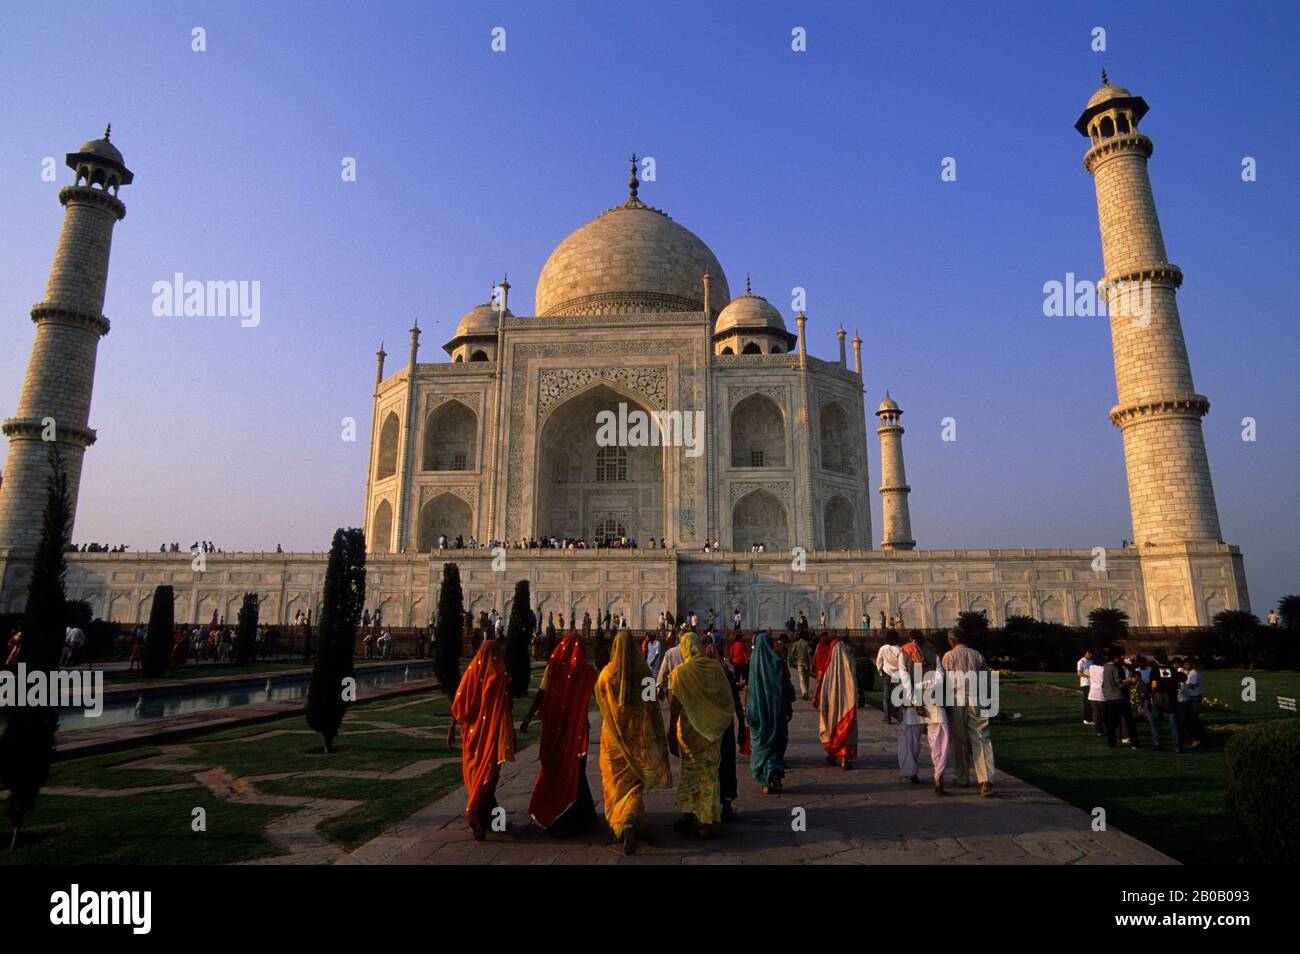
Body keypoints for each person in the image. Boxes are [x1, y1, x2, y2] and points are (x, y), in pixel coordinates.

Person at [594, 631, 672, 854]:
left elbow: (600, 703)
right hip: (639, 738)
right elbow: (651, 706)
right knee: (635, 783)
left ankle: (625, 822)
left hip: (614, 740)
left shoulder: (606, 675)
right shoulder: (645, 674)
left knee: (615, 783)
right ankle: (631, 819)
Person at [520, 631, 598, 835]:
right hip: (577, 731)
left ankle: (576, 815)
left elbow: (541, 694)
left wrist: (528, 717)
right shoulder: (587, 672)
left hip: (555, 730)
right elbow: (602, 695)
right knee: (575, 771)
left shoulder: (553, 668)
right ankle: (576, 816)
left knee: (562, 771)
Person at [667, 633, 735, 839]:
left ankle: (689, 814)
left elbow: (675, 704)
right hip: (712, 732)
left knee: (689, 771)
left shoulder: (680, 673)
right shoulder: (714, 668)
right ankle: (704, 821)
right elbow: (726, 697)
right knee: (709, 775)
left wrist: (670, 731)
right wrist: (722, 720)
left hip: (689, 732)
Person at [448, 639, 516, 841]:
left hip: (473, 735)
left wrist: (451, 728)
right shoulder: (501, 674)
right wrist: (510, 734)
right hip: (494, 734)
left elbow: (458, 703)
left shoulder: (471, 673)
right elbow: (508, 706)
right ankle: (477, 816)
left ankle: (491, 821)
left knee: (478, 775)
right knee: (490, 780)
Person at [896, 630, 950, 796]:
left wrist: (914, 700)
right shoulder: (933, 653)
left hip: (915, 703)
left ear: (911, 639)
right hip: (934, 700)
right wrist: (926, 686)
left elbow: (904, 680)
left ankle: (911, 772)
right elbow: (940, 677)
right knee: (940, 741)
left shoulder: (904, 653)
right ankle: (938, 776)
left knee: (909, 739)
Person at [941, 629, 995, 795]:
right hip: (977, 699)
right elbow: (986, 679)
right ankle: (986, 780)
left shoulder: (948, 656)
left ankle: (962, 778)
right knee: (981, 738)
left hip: (956, 699)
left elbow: (943, 681)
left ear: (952, 641)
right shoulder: (977, 655)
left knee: (959, 740)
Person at [746, 631, 794, 794]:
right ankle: (775, 775)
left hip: (759, 711)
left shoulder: (753, 664)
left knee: (761, 744)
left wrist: (747, 710)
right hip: (776, 710)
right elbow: (786, 687)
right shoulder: (777, 663)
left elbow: (750, 690)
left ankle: (764, 782)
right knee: (776, 744)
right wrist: (788, 706)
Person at [818, 637, 858, 769]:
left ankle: (832, 754)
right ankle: (844, 761)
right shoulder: (849, 661)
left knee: (831, 724)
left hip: (831, 702)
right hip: (847, 702)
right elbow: (854, 682)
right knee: (846, 727)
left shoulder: (829, 664)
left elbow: (822, 682)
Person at [1148, 660, 1183, 752]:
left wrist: (1152, 691)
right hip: (1171, 698)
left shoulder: (1154, 670)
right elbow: (1178, 684)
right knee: (1174, 724)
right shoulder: (1173, 669)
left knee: (1155, 721)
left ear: (1156, 660)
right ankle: (1177, 746)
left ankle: (1156, 743)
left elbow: (1154, 685)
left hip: (1159, 698)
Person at [875, 630, 902, 723]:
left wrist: (880, 672)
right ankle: (900, 717)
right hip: (897, 674)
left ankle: (887, 718)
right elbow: (902, 663)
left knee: (886, 697)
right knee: (898, 696)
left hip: (887, 674)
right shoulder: (899, 649)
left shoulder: (883, 648)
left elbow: (878, 661)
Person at [1179, 656, 1203, 749]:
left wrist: (1182, 682)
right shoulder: (1187, 672)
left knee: (1192, 718)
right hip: (1190, 697)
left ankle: (1196, 738)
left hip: (1194, 697)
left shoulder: (1194, 674)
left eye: (1187, 664)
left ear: (1192, 665)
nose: (1185, 665)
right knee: (1192, 718)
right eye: (1184, 664)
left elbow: (1191, 686)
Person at [655, 633, 684, 700]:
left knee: (675, 709)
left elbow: (663, 671)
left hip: (673, 688)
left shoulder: (671, 652)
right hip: (690, 689)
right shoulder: (696, 653)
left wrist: (660, 687)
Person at [790, 630, 814, 700]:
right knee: (807, 678)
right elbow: (810, 654)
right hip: (807, 663)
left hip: (800, 662)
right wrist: (812, 663)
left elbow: (792, 651)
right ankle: (806, 692)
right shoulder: (807, 643)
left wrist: (795, 658)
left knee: (802, 678)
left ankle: (804, 692)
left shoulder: (796, 643)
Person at [811, 633, 833, 706]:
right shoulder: (831, 652)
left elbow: (819, 680)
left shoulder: (821, 653)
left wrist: (814, 696)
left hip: (825, 692)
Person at [1076, 648, 1094, 724]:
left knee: (1091, 701)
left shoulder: (1092, 661)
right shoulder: (1081, 661)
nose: (1090, 655)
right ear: (1085, 653)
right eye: (1088, 653)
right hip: (1085, 683)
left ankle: (1090, 718)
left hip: (1092, 684)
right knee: (1087, 701)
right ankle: (1087, 719)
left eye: (1091, 653)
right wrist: (1089, 676)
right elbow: (1079, 673)